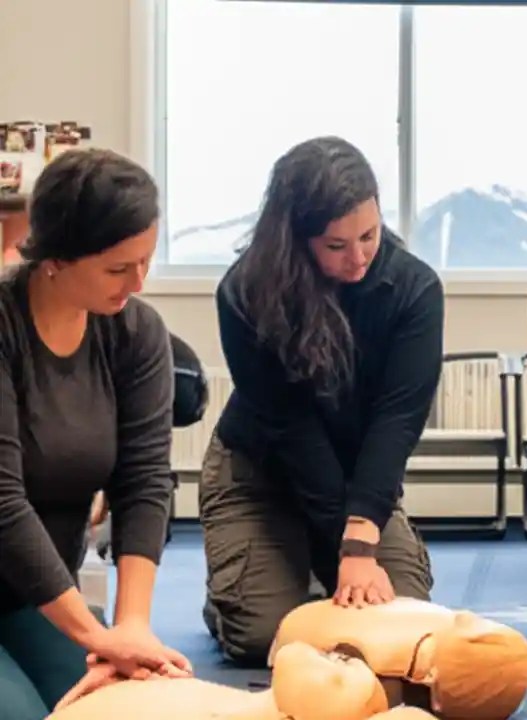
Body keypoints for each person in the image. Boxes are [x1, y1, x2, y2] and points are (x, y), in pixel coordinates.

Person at [201, 136, 443, 667]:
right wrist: (352, 552)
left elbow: (397, 422)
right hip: (260, 476)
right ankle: (232, 594)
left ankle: (311, 569)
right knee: (265, 639)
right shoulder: (244, 294)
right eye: (335, 245)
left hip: (359, 481)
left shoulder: (414, 290)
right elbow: (293, 430)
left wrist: (360, 535)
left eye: (370, 235)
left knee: (399, 623)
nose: (358, 257)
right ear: (295, 237)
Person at [0, 148, 191, 719]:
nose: (136, 282)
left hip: (35, 598)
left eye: (146, 261)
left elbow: (144, 482)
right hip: (38, 587)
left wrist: (129, 628)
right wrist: (95, 635)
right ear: (55, 258)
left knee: (123, 708)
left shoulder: (136, 333)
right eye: (117, 268)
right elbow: (3, 503)